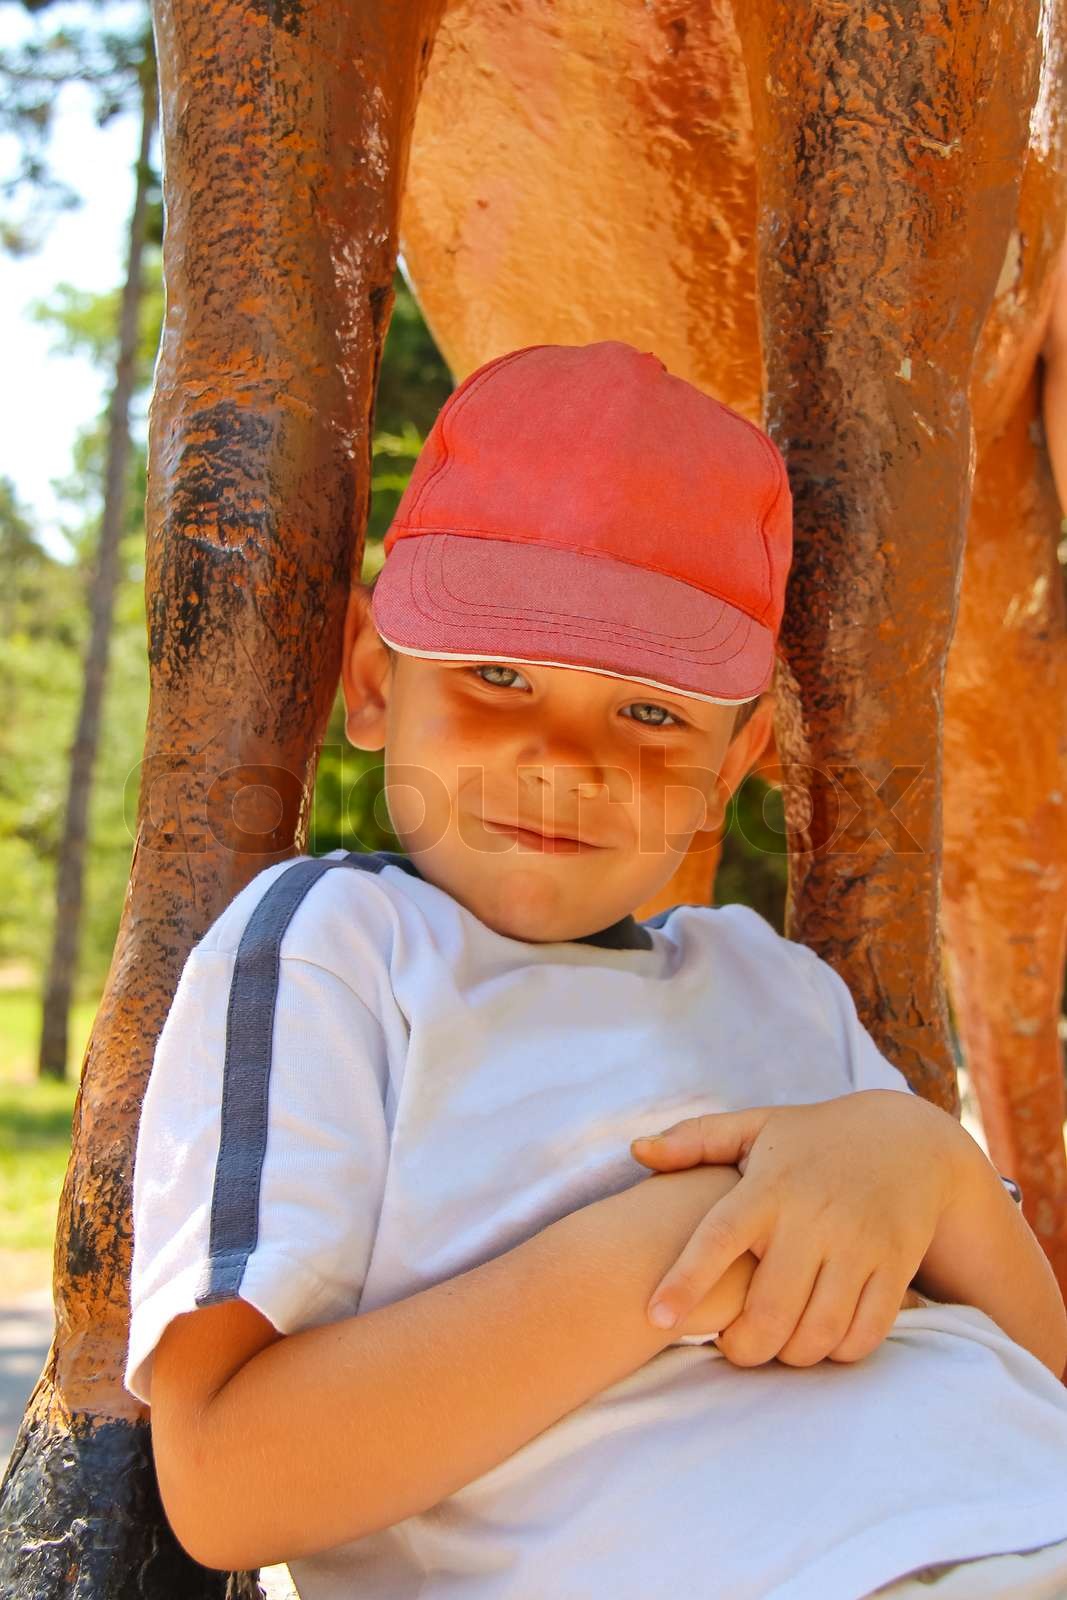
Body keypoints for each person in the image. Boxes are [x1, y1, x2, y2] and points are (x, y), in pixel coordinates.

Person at [125, 341, 1067, 1600]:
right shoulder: (335, 948)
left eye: (650, 711)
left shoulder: (779, 988)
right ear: (368, 681)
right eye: (497, 675)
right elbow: (226, 1481)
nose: (564, 757)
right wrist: (693, 1228)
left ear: (728, 770)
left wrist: (934, 1169)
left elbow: (1035, 1378)